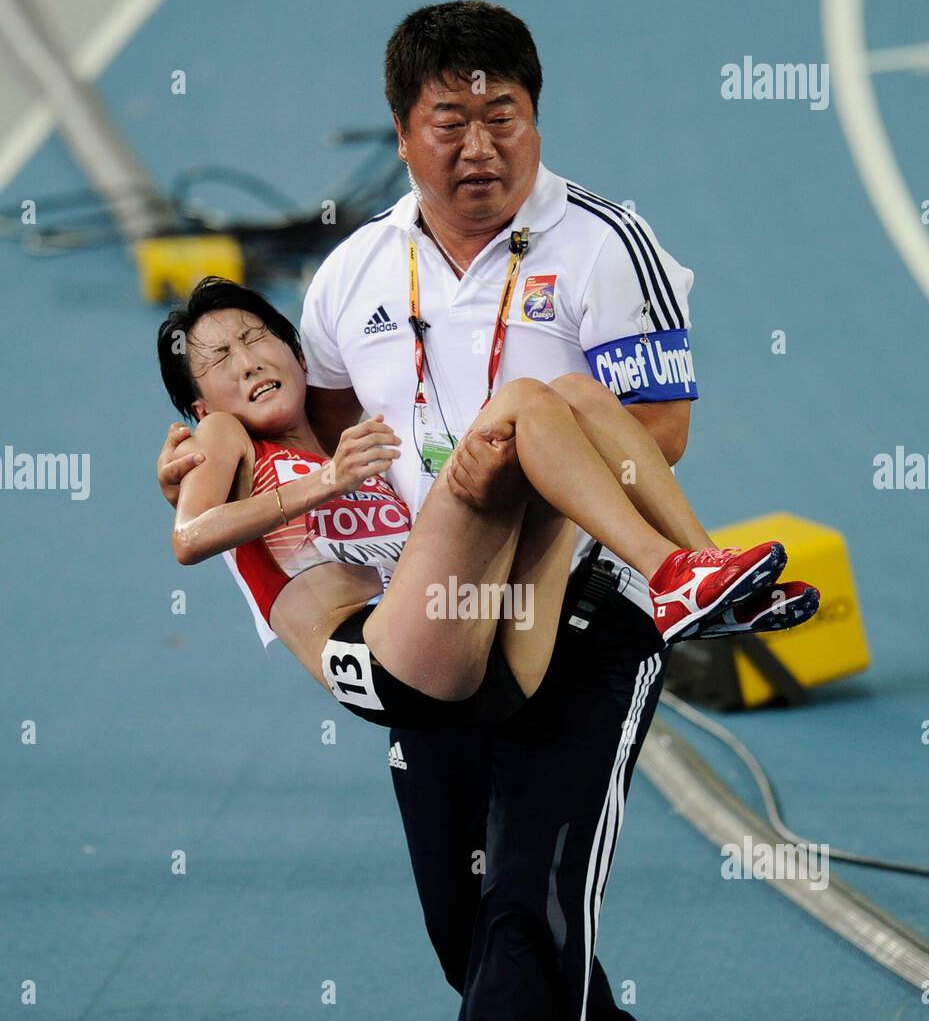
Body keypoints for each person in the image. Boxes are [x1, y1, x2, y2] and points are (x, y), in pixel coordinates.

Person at [155, 0, 817, 1021]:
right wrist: (206, 453)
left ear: (535, 117)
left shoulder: (605, 242)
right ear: (402, 133)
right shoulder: (349, 276)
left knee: (526, 886)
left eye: (501, 115)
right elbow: (325, 437)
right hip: (437, 608)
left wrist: (505, 486)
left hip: (578, 602)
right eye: (448, 121)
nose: (478, 145)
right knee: (461, 922)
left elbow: (657, 430)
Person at [159, 278, 809, 727]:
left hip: (485, 660)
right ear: (200, 405)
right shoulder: (226, 438)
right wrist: (321, 483)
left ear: (297, 354)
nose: (246, 362)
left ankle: (713, 582)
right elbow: (189, 538)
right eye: (217, 358)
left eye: (254, 338)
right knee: (523, 400)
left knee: (573, 395)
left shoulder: (355, 448)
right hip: (380, 660)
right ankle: (667, 575)